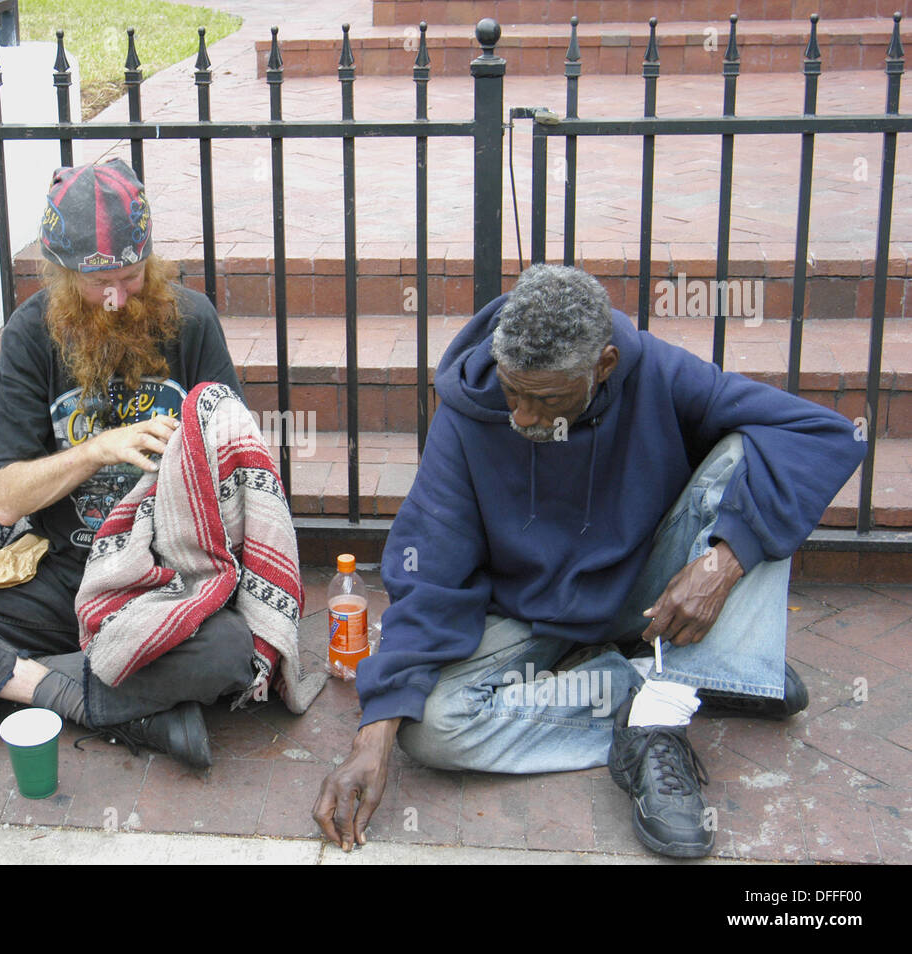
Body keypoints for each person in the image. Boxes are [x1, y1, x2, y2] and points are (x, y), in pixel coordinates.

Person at [312, 264, 866, 858]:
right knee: (433, 729)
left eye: (543, 399)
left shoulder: (657, 371)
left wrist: (725, 561)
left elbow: (823, 436)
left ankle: (660, 722)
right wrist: (374, 735)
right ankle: (688, 678)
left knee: (750, 455)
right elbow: (431, 570)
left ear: (603, 366)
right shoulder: (468, 414)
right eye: (512, 390)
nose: (521, 415)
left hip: (649, 590)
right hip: (528, 611)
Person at [0, 158, 256, 769]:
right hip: (63, 579)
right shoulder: (33, 333)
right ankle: (94, 700)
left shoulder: (191, 320)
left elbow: (239, 467)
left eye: (131, 276)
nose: (116, 298)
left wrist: (193, 460)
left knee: (230, 649)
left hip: (161, 580)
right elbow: (4, 498)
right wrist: (95, 450)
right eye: (96, 283)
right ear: (60, 274)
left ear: (152, 261)